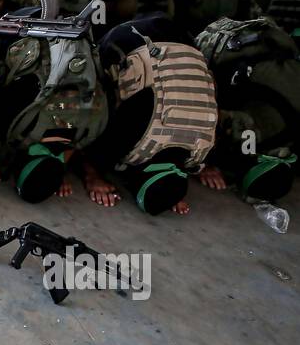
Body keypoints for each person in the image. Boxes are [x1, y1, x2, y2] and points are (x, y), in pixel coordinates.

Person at [81, 14, 218, 215]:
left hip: (185, 40)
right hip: (126, 38)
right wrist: (93, 177)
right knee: (99, 91)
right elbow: (87, 154)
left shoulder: (202, 148)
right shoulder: (129, 138)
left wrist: (171, 191)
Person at [0, 1, 109, 202]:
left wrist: (54, 171)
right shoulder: (14, 118)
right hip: (27, 26)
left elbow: (71, 146)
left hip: (61, 35)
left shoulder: (94, 126)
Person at [193, 14, 296, 203]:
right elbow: (204, 118)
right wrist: (202, 164)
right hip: (219, 45)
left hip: (266, 38)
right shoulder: (253, 131)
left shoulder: (286, 141)